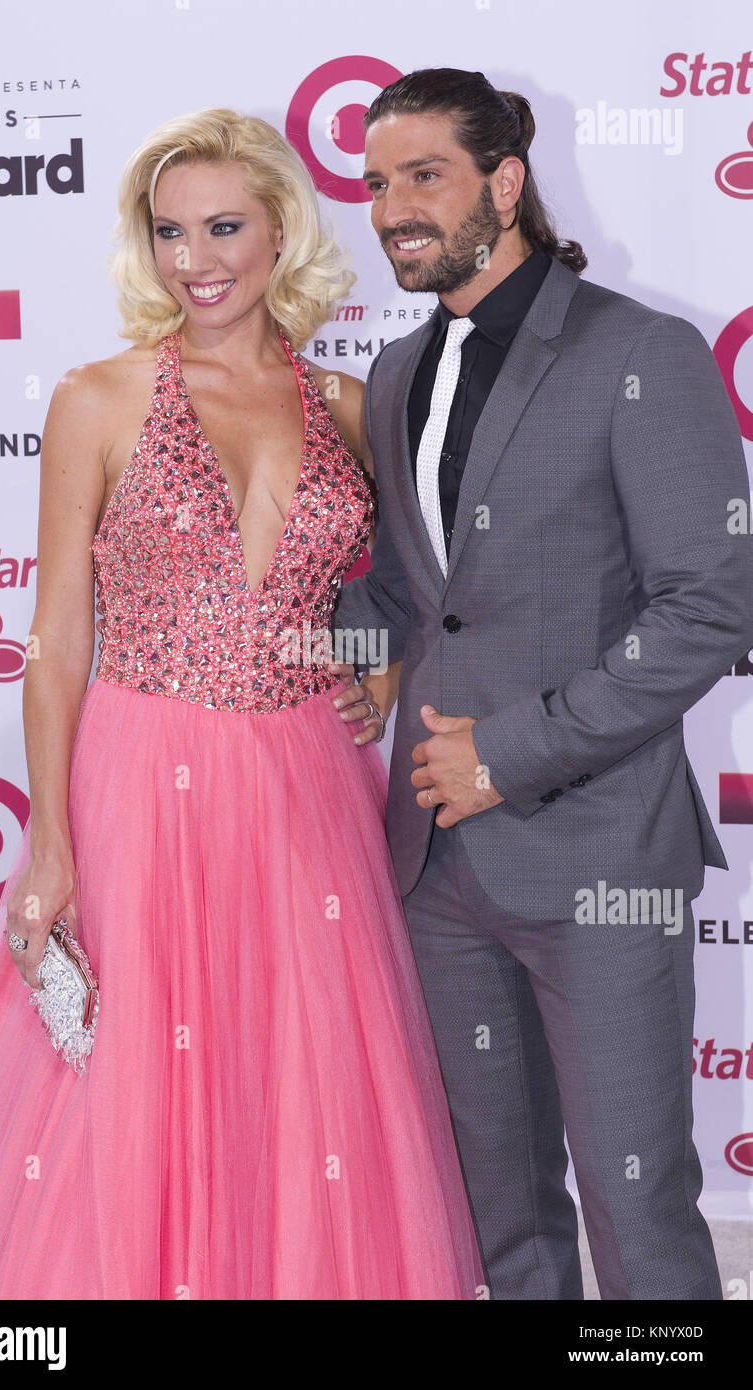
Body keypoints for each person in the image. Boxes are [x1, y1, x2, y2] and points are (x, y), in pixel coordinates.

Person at [0, 108, 485, 1300]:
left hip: (306, 788)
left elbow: (397, 583)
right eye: (169, 233)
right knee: (131, 1085)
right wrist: (51, 840)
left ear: (281, 229)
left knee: (300, 1080)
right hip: (140, 778)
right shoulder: (97, 396)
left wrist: (372, 674)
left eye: (224, 226)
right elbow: (57, 637)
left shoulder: (345, 401)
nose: (196, 259)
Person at [331, 67, 753, 1300]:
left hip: (597, 860)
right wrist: (334, 654)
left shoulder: (642, 350)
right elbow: (417, 591)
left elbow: (710, 607)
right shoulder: (399, 374)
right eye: (373, 184)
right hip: (436, 865)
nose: (392, 208)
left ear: (503, 183)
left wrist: (507, 752)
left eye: (423, 177)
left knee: (633, 1203)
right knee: (496, 1215)